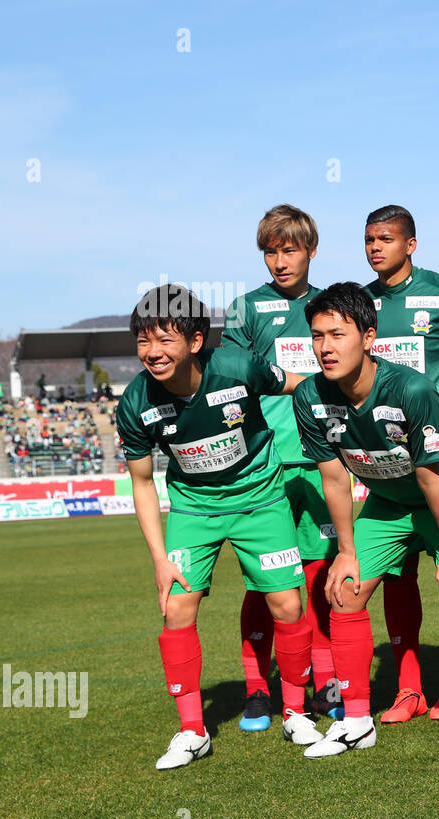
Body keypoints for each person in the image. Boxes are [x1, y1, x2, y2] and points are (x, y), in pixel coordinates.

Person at [116, 284, 321, 770]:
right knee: (176, 609)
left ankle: (296, 712)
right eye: (143, 341)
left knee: (287, 603)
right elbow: (143, 484)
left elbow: (297, 384)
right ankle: (192, 731)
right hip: (193, 508)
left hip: (260, 497)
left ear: (195, 341)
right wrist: (160, 560)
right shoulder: (135, 401)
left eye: (165, 340)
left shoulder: (237, 364)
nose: (152, 353)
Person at [292, 282, 439, 758]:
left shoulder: (411, 388)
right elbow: (334, 479)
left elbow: (432, 476)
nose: (325, 347)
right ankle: (356, 720)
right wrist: (346, 551)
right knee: (345, 592)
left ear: (369, 338)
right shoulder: (310, 396)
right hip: (387, 503)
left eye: (337, 334)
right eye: (316, 336)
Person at [223, 204, 340, 732]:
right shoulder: (246, 309)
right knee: (261, 583)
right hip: (263, 466)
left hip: (320, 462)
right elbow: (229, 379)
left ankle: (324, 680)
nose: (279, 260)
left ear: (310, 251)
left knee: (319, 580)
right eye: (270, 251)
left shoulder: (332, 305)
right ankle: (256, 689)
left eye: (289, 249)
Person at [363, 203, 439, 725]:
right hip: (389, 473)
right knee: (396, 579)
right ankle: (407, 690)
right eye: (369, 239)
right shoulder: (360, 306)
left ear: (411, 244)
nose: (375, 247)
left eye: (385, 238)